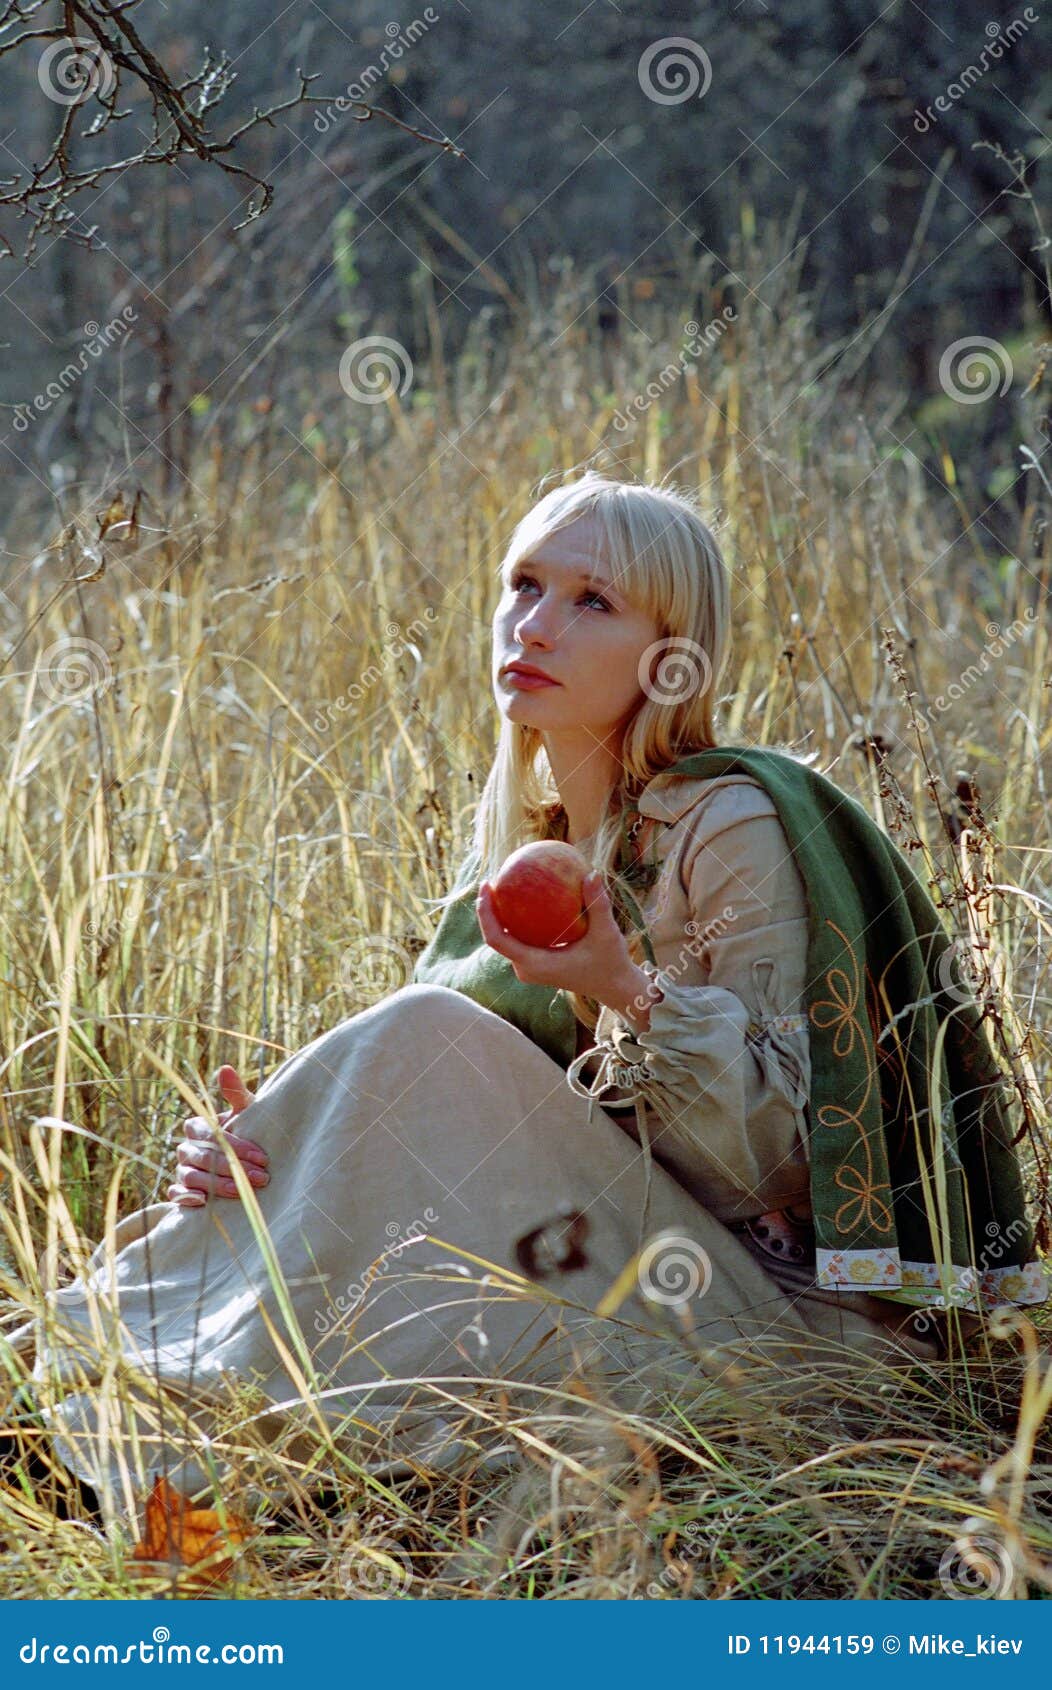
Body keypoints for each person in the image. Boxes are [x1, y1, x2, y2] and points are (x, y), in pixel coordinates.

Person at [4, 471, 1040, 1518]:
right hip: (599, 1271)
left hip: (787, 1334)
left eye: (593, 601)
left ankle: (103, 1417)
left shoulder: (723, 824)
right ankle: (99, 1410)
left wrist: (626, 992)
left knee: (425, 1035)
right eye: (523, 585)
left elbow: (773, 1160)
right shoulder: (519, 855)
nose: (536, 625)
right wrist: (267, 1146)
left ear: (669, 652)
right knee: (381, 1091)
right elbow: (455, 1141)